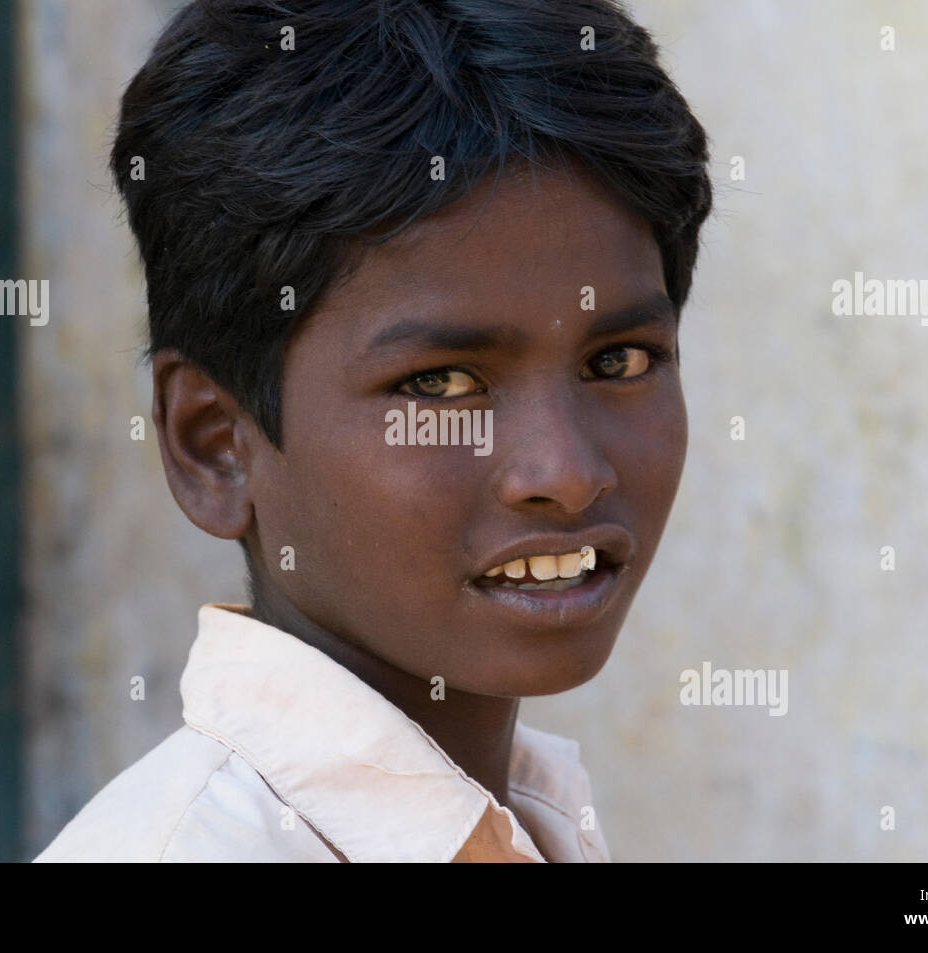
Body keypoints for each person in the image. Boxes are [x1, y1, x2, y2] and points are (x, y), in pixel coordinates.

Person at [36, 0, 712, 862]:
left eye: (618, 361)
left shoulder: (530, 821)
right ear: (215, 444)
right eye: (439, 385)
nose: (568, 471)